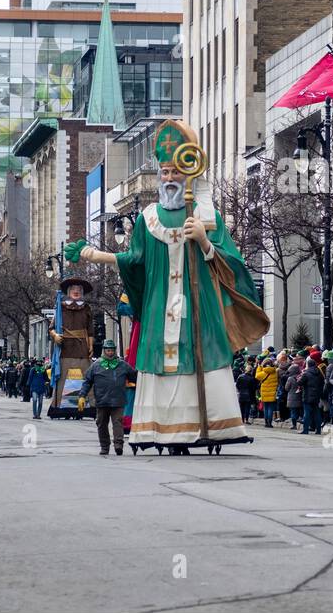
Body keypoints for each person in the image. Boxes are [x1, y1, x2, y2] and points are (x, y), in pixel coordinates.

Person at [65, 119, 268, 454]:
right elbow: (135, 261)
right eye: (165, 172)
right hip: (162, 307)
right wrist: (95, 254)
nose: (170, 178)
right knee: (162, 363)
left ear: (188, 174)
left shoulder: (206, 215)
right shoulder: (147, 218)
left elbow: (231, 264)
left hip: (198, 306)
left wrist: (205, 242)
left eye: (176, 172)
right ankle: (164, 430)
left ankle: (207, 427)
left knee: (199, 359)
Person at [78, 340, 134, 456]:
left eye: (112, 350)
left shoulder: (122, 364)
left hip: (118, 400)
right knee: (101, 423)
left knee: (118, 423)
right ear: (104, 351)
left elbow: (134, 376)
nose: (110, 353)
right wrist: (82, 396)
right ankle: (104, 447)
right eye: (108, 350)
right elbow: (87, 382)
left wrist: (143, 375)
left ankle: (118, 445)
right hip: (102, 401)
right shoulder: (96, 365)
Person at [299, 350, 325, 435]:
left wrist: (298, 378)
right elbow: (322, 383)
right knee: (316, 413)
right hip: (316, 395)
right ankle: (318, 430)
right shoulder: (319, 373)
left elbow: (300, 382)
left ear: (308, 365)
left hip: (307, 395)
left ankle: (305, 429)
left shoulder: (306, 373)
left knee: (307, 413)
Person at [256, 357, 278, 428]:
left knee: (265, 408)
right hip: (272, 392)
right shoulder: (275, 372)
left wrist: (259, 366)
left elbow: (257, 376)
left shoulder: (263, 373)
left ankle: (266, 422)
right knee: (271, 408)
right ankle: (270, 423)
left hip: (264, 393)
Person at [235, 359, 257, 425]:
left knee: (242, 408)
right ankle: (246, 419)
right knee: (247, 408)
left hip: (241, 394)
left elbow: (237, 385)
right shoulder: (252, 378)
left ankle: (242, 419)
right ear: (251, 371)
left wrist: (240, 390)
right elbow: (253, 388)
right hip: (248, 395)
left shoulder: (240, 376)